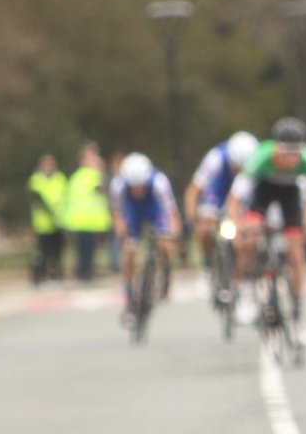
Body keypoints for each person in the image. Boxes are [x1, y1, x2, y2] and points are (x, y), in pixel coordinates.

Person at [227, 117, 306, 343]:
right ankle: (247, 293)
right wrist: (239, 227)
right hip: (263, 191)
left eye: (296, 151)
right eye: (286, 151)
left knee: (296, 254)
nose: (291, 157)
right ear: (276, 147)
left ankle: (297, 315)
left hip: (290, 194)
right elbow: (235, 199)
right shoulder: (259, 158)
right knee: (250, 237)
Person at [109, 153, 181, 326]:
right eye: (133, 187)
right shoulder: (117, 185)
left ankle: (165, 273)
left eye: (141, 186)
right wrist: (122, 233)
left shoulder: (159, 182)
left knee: (164, 243)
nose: (138, 191)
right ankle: (129, 300)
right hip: (132, 212)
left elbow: (172, 213)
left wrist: (173, 235)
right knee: (128, 255)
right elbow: (117, 214)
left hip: (155, 210)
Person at [184, 131, 258, 298]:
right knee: (205, 227)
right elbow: (194, 190)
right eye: (236, 166)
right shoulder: (216, 157)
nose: (239, 170)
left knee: (247, 237)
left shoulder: (255, 166)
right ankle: (207, 267)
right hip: (218, 193)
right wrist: (192, 218)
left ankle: (241, 281)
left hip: (242, 197)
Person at [65, 141, 111, 282]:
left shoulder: (80, 176)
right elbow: (102, 189)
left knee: (88, 248)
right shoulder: (88, 176)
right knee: (85, 249)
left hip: (89, 220)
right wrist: (100, 170)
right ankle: (83, 273)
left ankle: (85, 272)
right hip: (84, 219)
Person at [27, 153, 67, 284]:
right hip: (43, 223)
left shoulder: (60, 178)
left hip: (58, 221)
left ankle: (56, 274)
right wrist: (50, 212)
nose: (49, 166)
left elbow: (65, 197)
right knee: (42, 252)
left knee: (58, 251)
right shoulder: (36, 179)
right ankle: (40, 275)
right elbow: (37, 199)